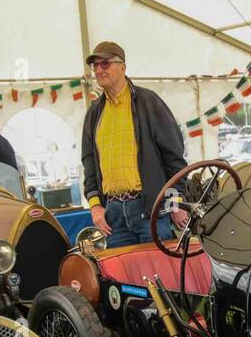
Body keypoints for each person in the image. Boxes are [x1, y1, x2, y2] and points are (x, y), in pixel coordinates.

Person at [80, 40, 189, 246]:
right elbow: (89, 165)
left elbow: (174, 158)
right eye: (95, 65)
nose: (99, 70)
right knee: (124, 278)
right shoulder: (94, 113)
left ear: (123, 67)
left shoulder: (149, 102)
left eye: (105, 64)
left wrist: (176, 203)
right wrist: (95, 205)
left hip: (150, 209)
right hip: (113, 216)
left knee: (160, 275)